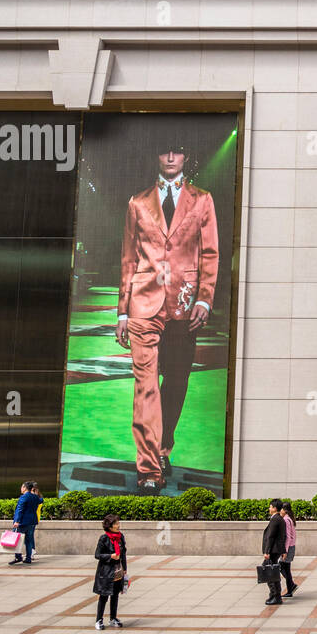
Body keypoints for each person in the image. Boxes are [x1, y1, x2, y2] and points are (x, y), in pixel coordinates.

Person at [115, 140, 220, 494]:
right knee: (145, 386)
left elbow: (210, 252)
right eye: (164, 151)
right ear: (156, 156)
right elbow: (129, 258)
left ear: (186, 156)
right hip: (144, 304)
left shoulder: (202, 199)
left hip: (184, 305)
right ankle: (148, 470)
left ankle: (163, 446)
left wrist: (204, 300)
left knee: (176, 383)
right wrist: (122, 310)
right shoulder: (137, 202)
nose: (171, 157)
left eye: (177, 151)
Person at [93, 514, 128, 629]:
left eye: (118, 523)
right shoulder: (104, 538)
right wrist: (110, 556)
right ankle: (99, 620)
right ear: (110, 526)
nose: (118, 525)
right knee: (104, 596)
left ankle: (113, 618)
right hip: (106, 572)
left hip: (118, 570)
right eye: (116, 524)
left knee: (115, 595)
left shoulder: (120, 537)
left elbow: (123, 554)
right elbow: (97, 555)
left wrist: (125, 569)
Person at [10, 481, 43, 565]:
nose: (21, 488)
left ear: (24, 488)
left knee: (17, 539)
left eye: (22, 487)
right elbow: (41, 500)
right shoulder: (35, 497)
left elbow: (20, 510)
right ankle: (28, 558)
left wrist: (17, 521)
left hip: (22, 522)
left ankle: (18, 557)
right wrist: (35, 492)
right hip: (32, 522)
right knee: (28, 540)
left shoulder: (23, 497)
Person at [262, 499, 287, 606]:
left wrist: (267, 551)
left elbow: (271, 537)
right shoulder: (279, 518)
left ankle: (276, 595)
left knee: (269, 571)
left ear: (275, 508)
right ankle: (274, 595)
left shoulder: (275, 519)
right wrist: (283, 551)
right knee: (272, 571)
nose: (269, 508)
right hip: (276, 549)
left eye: (270, 506)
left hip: (273, 550)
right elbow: (282, 537)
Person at [280, 501, 299, 598]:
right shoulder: (289, 519)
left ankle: (290, 588)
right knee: (285, 568)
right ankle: (291, 586)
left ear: (285, 510)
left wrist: (285, 551)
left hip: (288, 547)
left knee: (284, 568)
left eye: (281, 510)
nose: (280, 512)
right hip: (291, 546)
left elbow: (288, 536)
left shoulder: (286, 520)